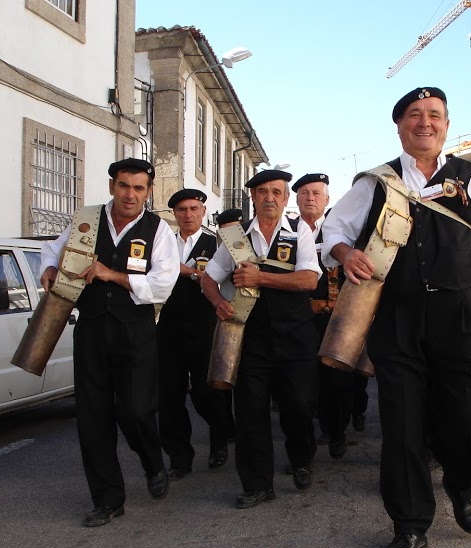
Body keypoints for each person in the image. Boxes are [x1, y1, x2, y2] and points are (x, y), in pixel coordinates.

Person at [322, 87, 471, 548]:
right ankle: (410, 524)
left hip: (460, 317)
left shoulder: (470, 176)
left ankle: (462, 485)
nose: (425, 122)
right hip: (397, 319)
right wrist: (345, 252)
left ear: (446, 125)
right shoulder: (376, 183)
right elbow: (332, 229)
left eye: (434, 115)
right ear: (399, 125)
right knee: (402, 427)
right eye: (415, 115)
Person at [41, 158, 179, 527]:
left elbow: (162, 284)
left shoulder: (158, 230)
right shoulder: (85, 220)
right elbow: (52, 249)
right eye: (123, 185)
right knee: (92, 417)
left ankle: (152, 462)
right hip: (91, 330)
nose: (130, 194)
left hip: (135, 332)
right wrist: (50, 267)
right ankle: (107, 499)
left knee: (136, 411)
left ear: (148, 192)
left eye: (138, 188)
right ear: (111, 186)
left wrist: (111, 275)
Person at [201, 169, 321, 509]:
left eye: (277, 192)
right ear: (252, 197)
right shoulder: (235, 237)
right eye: (263, 191)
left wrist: (261, 278)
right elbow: (209, 278)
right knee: (250, 412)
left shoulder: (299, 231)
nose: (270, 198)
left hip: (295, 336)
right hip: (251, 338)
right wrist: (218, 302)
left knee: (299, 405)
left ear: (285, 198)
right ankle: (257, 484)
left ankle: (301, 459)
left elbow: (309, 280)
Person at [157, 189, 235, 480]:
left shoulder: (216, 244)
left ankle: (220, 440)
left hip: (205, 328)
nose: (188, 215)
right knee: (169, 396)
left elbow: (225, 281)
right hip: (168, 328)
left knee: (207, 393)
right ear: (175, 214)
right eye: (182, 210)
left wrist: (188, 272)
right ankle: (179, 457)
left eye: (193, 209)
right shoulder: (163, 243)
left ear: (203, 212)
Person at [293, 172, 361, 459]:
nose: (310, 198)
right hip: (298, 320)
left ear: (327, 199)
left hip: (335, 318)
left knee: (337, 380)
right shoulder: (288, 232)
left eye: (316, 193)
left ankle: (336, 432)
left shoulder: (341, 233)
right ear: (296, 199)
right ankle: (304, 448)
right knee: (302, 383)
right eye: (304, 193)